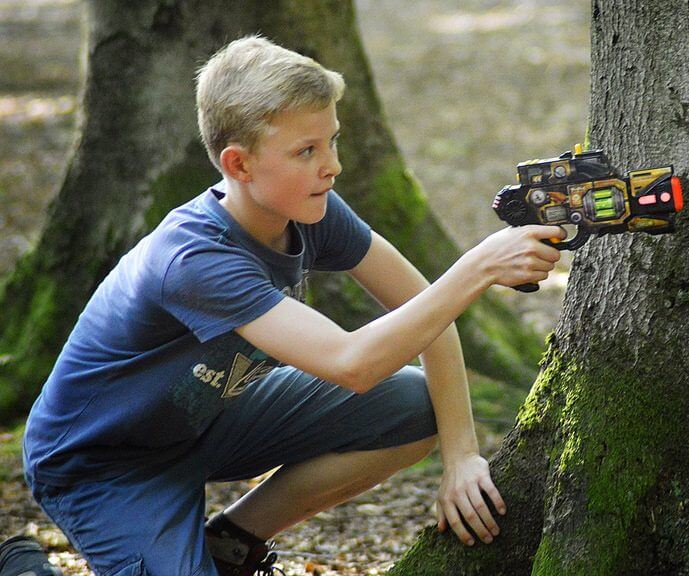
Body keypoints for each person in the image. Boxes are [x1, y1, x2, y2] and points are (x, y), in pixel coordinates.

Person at [21, 35, 564, 576]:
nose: (332, 167)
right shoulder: (194, 259)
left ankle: (232, 545)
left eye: (332, 141)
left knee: (419, 406)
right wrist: (479, 267)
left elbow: (427, 316)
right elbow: (353, 364)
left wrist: (462, 456)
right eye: (307, 151)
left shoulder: (311, 205)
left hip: (207, 417)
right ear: (239, 164)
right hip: (105, 460)